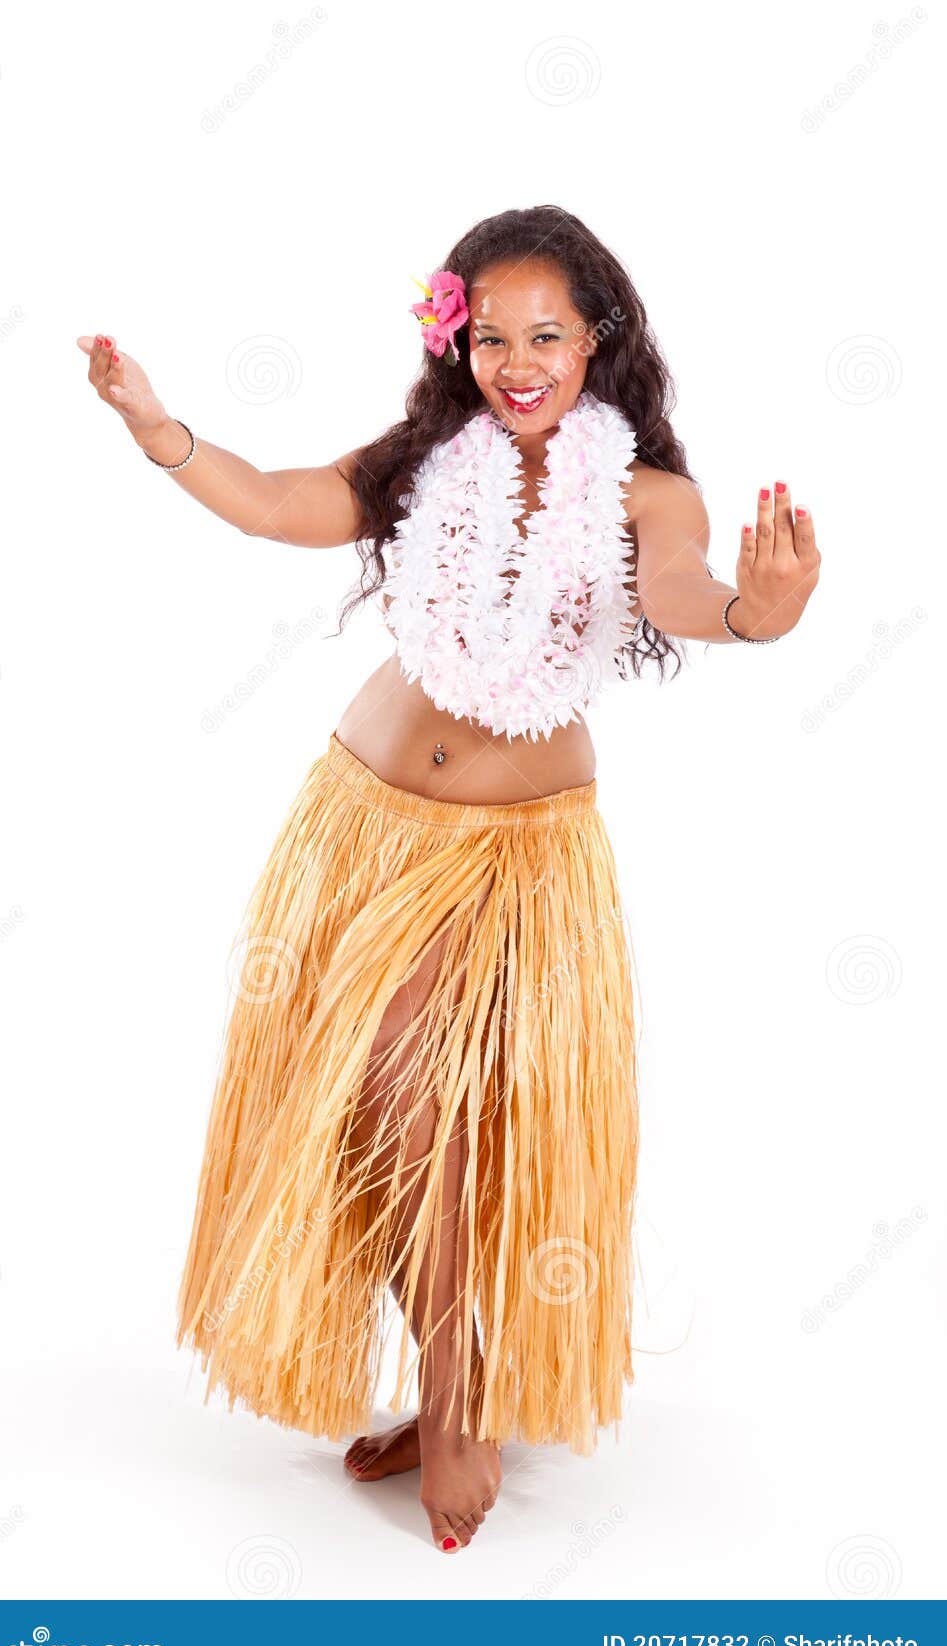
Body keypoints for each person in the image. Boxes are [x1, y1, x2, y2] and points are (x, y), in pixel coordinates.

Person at [76, 205, 821, 1556]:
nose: (518, 361)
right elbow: (283, 500)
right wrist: (156, 426)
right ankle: (449, 1373)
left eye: (548, 334)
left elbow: (682, 589)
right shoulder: (432, 460)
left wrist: (759, 612)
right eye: (490, 336)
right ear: (454, 340)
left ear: (600, 339)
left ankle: (465, 1394)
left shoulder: (647, 493)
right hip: (361, 825)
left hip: (512, 862)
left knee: (438, 1120)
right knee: (371, 1116)